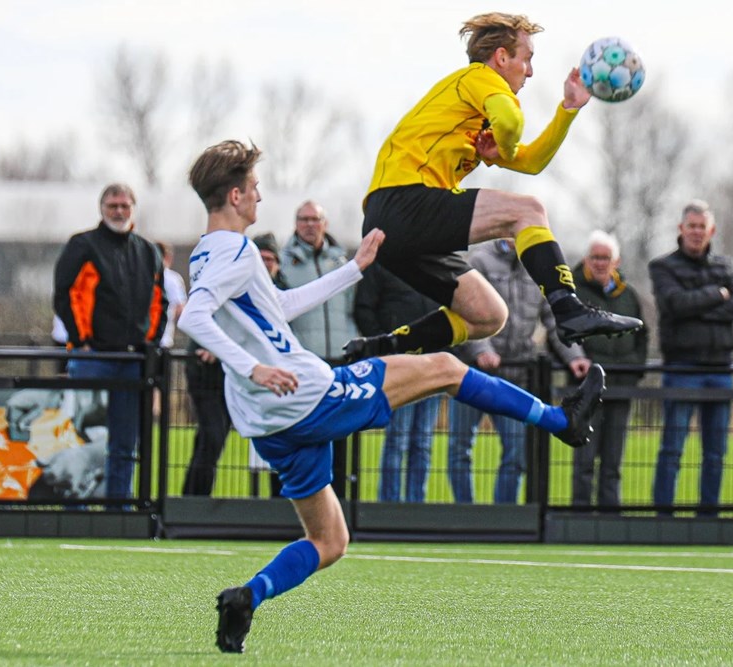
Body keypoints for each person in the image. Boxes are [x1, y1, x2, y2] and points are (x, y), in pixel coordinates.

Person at [176, 140, 604, 653]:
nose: (260, 200)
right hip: (305, 396)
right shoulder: (237, 250)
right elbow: (193, 317)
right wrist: (258, 367)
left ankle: (247, 596)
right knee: (446, 367)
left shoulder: (206, 253)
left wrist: (354, 268)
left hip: (268, 423)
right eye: (257, 191)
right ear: (237, 193)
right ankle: (562, 421)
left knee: (330, 542)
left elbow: (280, 308)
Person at [343, 12, 642, 364]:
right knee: (528, 210)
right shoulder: (479, 77)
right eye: (527, 59)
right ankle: (569, 308)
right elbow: (511, 122)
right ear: (502, 57)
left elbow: (530, 162)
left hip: (393, 229)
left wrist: (568, 110)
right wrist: (502, 138)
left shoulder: (474, 111)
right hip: (402, 201)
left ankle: (381, 347)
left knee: (488, 316)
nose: (529, 71)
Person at [448, 238, 590, 504]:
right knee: (460, 448)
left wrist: (575, 357)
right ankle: (464, 512)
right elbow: (465, 309)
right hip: (476, 374)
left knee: (516, 452)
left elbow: (554, 318)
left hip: (517, 373)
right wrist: (482, 351)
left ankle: (505, 513)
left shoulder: (539, 267)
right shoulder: (479, 261)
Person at [53, 182, 166, 500]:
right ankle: (77, 507)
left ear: (133, 208)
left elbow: (160, 301)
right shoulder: (83, 245)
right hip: (92, 358)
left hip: (132, 361)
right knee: (81, 437)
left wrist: (150, 343)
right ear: (101, 209)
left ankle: (119, 508)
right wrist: (81, 341)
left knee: (124, 442)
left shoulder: (147, 250)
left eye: (125, 205)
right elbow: (64, 294)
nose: (119, 211)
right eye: (113, 206)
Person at [648, 200, 733, 516]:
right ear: (681, 228)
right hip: (681, 367)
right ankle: (663, 514)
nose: (696, 232)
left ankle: (709, 514)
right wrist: (717, 295)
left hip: (720, 368)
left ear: (711, 230)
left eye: (701, 227)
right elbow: (674, 305)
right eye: (691, 226)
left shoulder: (726, 265)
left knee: (716, 451)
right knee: (672, 448)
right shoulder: (662, 266)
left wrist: (696, 307)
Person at [183, 231, 285, 498]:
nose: (265, 265)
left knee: (278, 439)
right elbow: (200, 317)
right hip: (212, 374)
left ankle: (280, 505)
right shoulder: (232, 278)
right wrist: (218, 347)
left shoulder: (278, 293)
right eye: (260, 258)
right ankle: (194, 502)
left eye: (270, 260)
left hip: (259, 379)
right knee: (213, 436)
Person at [570, 230, 648, 509]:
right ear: (586, 260)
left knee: (614, 457)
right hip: (586, 388)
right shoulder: (574, 292)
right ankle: (579, 512)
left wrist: (634, 370)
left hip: (622, 386)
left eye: (605, 257)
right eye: (595, 257)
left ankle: (610, 512)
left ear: (616, 261)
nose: (600, 263)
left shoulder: (629, 295)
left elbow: (642, 335)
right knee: (584, 456)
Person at [354, 264, 442, 503]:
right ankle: (390, 504)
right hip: (399, 366)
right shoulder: (384, 264)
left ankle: (415, 505)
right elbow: (364, 309)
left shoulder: (438, 263)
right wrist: (385, 346)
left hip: (433, 365)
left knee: (423, 441)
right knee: (398, 439)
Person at [279, 200, 358, 361]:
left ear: (325, 223)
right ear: (296, 223)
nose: (309, 224)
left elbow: (352, 307)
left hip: (341, 355)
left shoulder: (341, 263)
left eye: (315, 219)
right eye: (304, 219)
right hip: (304, 357)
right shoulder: (282, 263)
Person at [157, 241, 187, 350]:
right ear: (168, 257)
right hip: (164, 337)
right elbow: (180, 309)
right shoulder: (172, 278)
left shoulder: (143, 275)